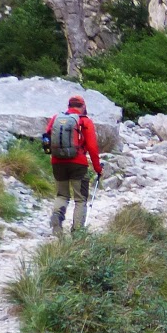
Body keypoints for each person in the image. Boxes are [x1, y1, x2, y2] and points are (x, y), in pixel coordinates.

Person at [42, 95, 103, 235]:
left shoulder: (55, 118)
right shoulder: (85, 121)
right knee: (80, 199)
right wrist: (98, 168)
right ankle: (77, 232)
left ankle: (57, 217)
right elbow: (93, 148)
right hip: (78, 164)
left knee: (62, 195)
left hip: (57, 162)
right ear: (83, 107)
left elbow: (47, 138)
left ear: (69, 106)